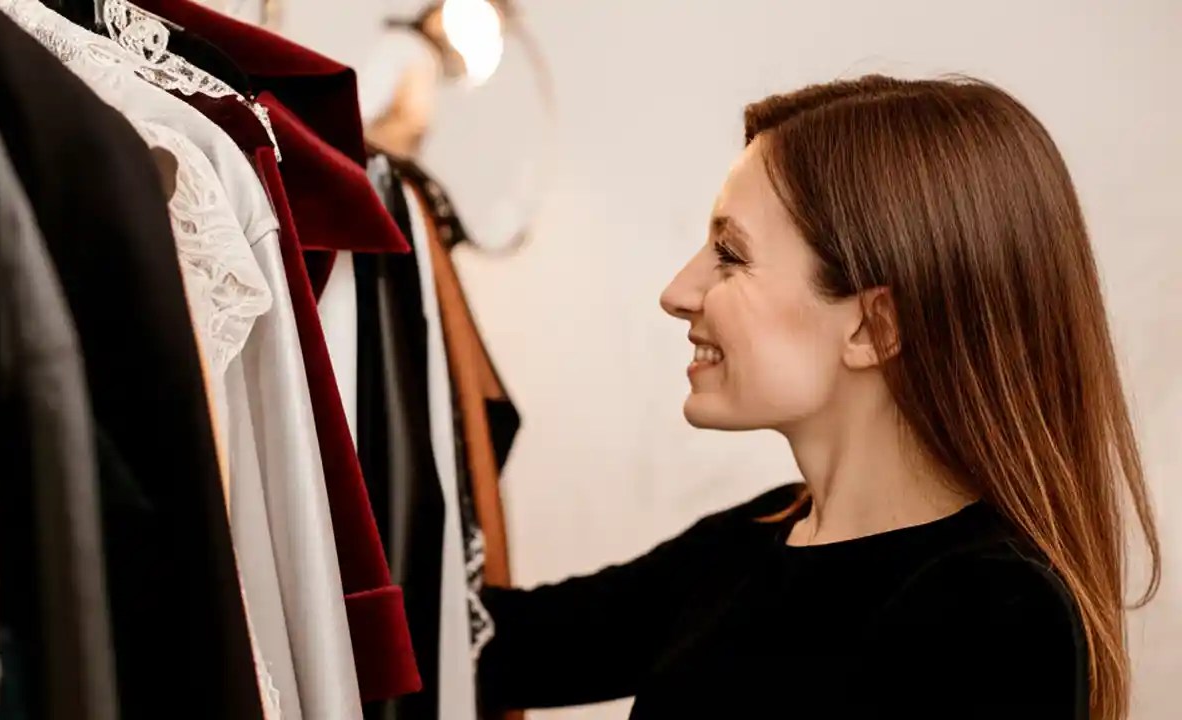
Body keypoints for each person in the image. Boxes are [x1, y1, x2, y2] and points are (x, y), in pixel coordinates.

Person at [475, 75, 1161, 719]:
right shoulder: (758, 539)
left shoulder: (997, 614)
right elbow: (493, 648)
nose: (678, 293)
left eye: (730, 254)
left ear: (872, 326)